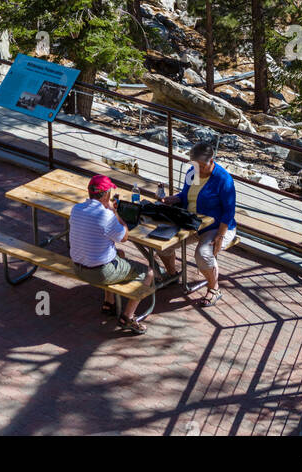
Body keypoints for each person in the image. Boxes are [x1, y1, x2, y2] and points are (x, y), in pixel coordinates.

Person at [68, 175, 154, 335]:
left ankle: (109, 302)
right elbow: (125, 236)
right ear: (106, 195)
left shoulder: (76, 209)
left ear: (89, 191)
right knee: (148, 272)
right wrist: (115, 212)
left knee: (119, 254)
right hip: (100, 273)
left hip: (77, 267)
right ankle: (127, 317)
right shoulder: (106, 216)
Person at [160, 141, 237, 305]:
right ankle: (172, 275)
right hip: (191, 222)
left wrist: (220, 236)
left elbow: (228, 212)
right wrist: (173, 199)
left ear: (212, 161)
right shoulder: (192, 172)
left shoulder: (223, 180)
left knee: (203, 254)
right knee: (161, 242)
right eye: (195, 165)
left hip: (217, 227)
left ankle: (214, 288)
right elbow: (187, 194)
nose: (198, 170)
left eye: (202, 166)